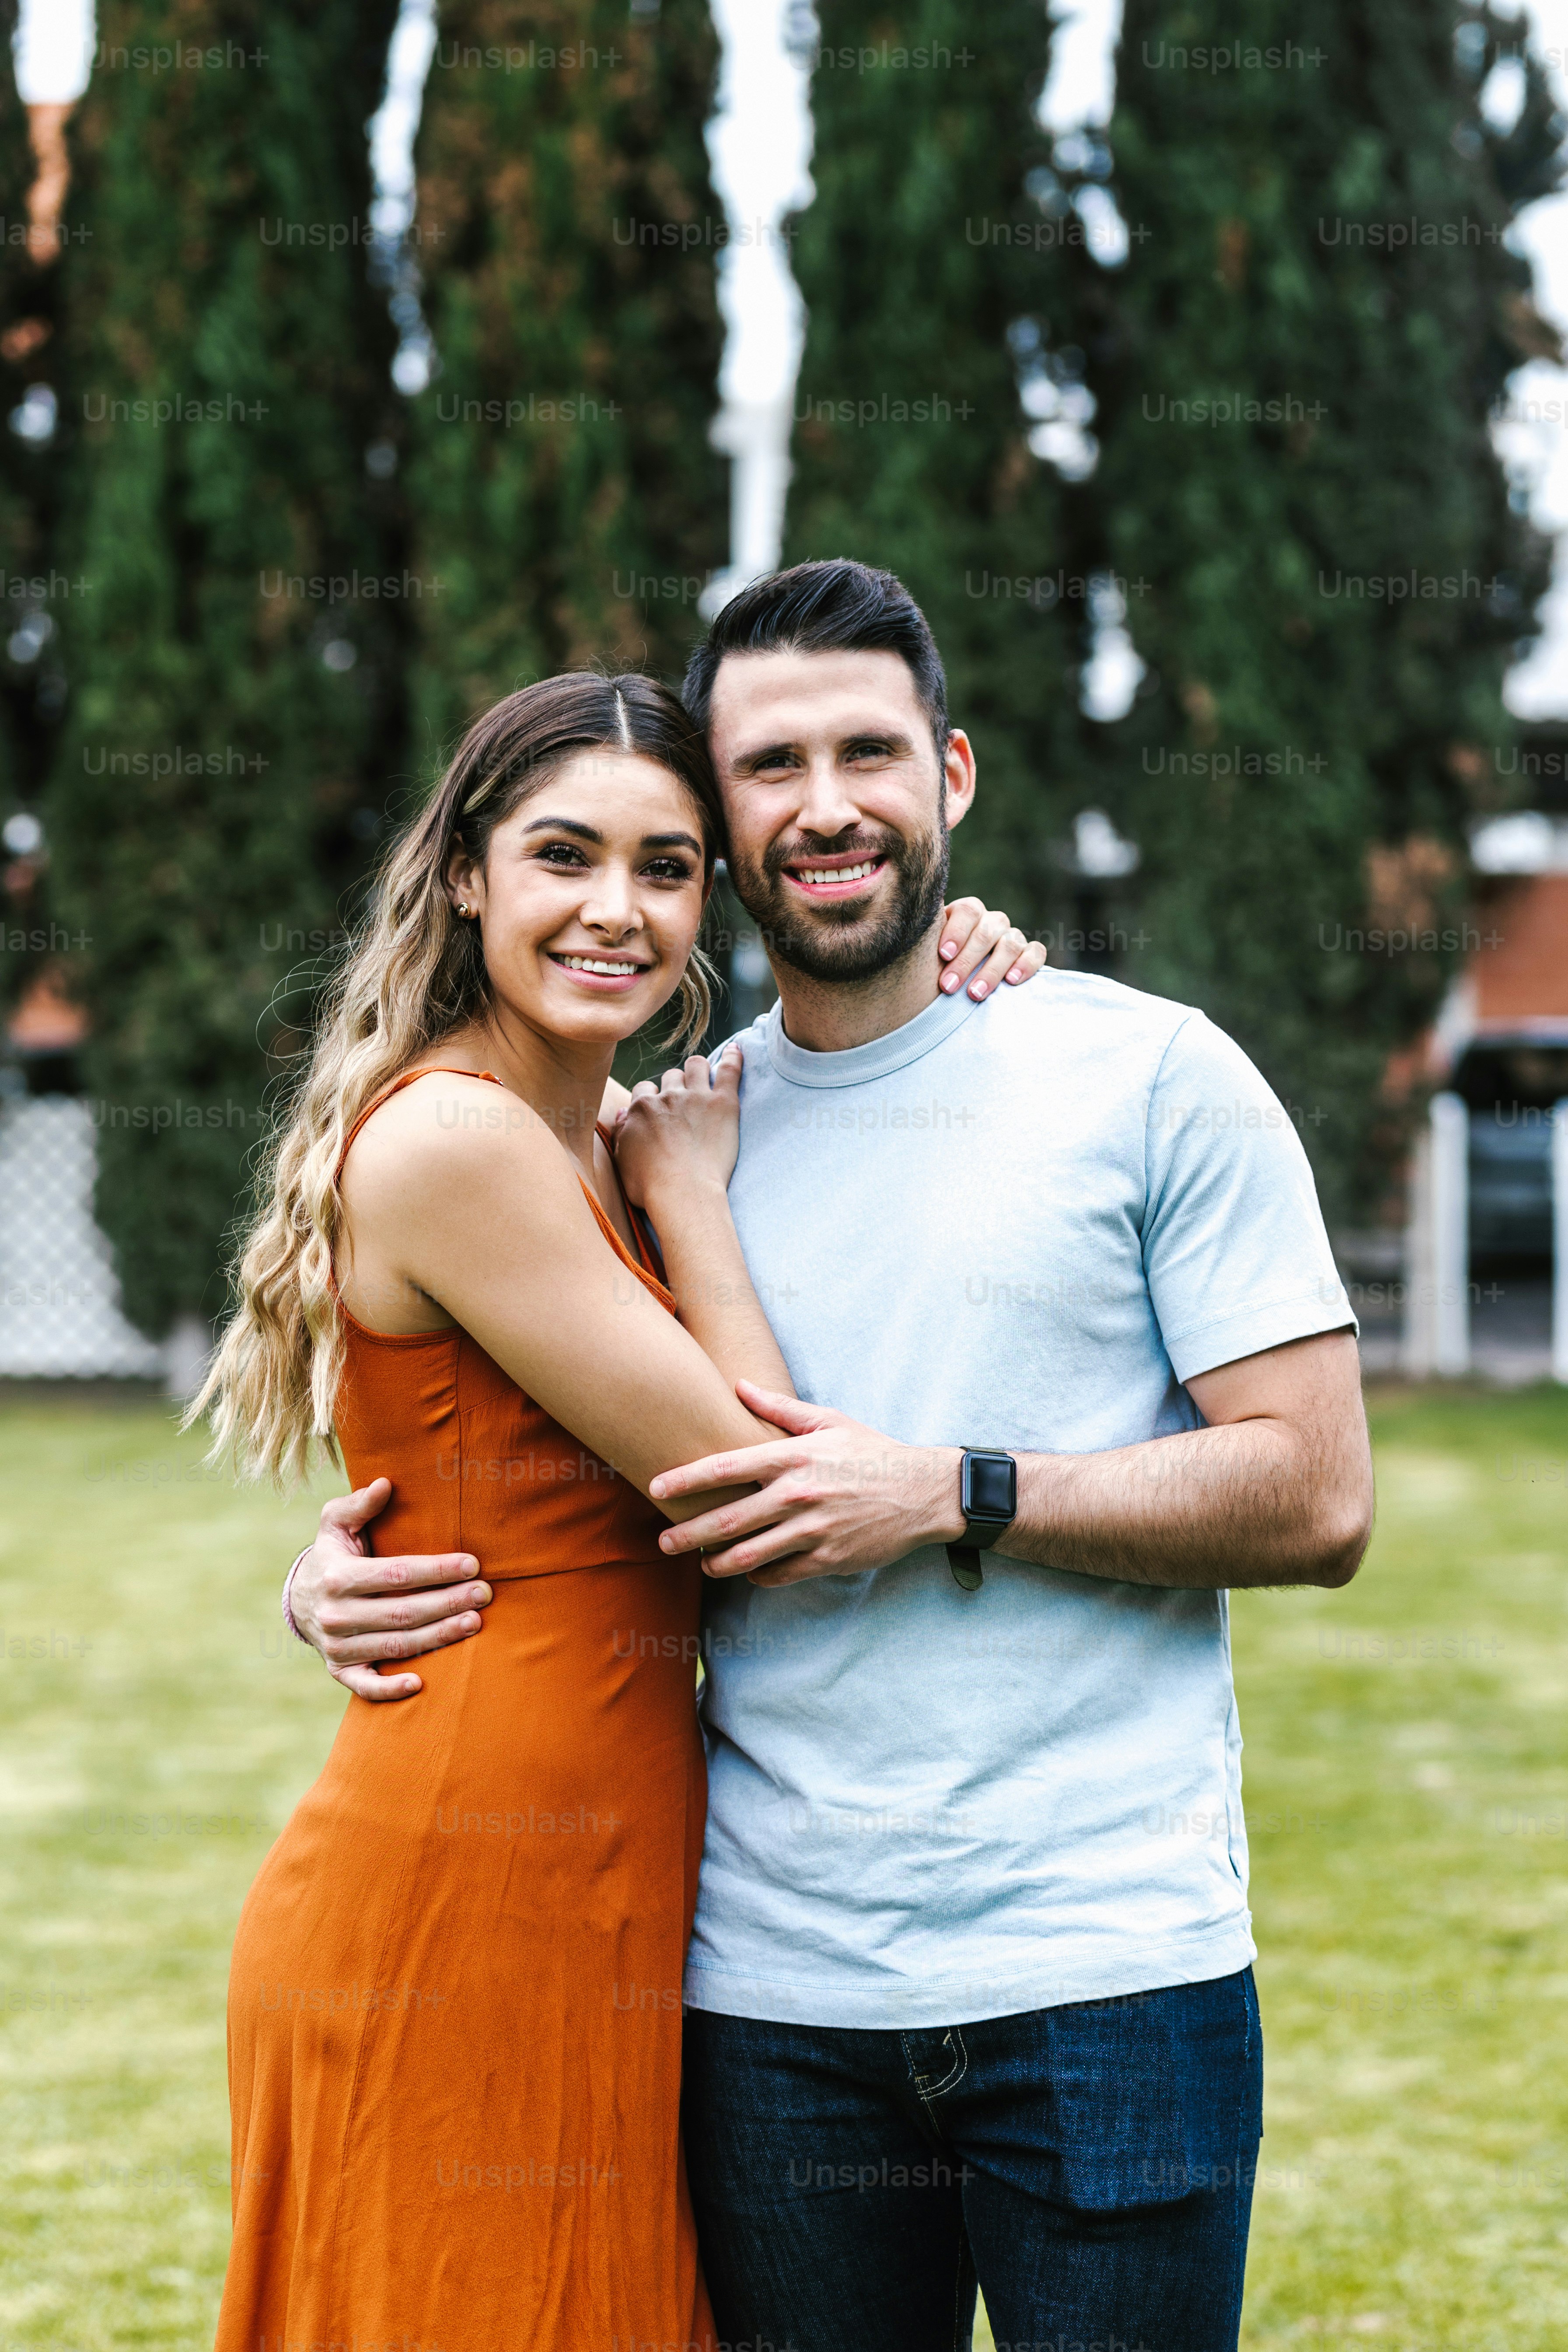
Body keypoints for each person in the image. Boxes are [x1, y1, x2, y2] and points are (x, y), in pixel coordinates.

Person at [288, 560, 1376, 2352]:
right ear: (727, 831)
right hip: (763, 1995)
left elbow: (1318, 1496)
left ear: (951, 773)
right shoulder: (661, 1137)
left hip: (1106, 1973)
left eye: (867, 751)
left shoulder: (1148, 1076)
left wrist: (961, 1488)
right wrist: (333, 1566)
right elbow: (518, 1441)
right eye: (769, 767)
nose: (825, 803)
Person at [193, 663, 1042, 2352]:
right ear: (464, 874)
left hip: (614, 1860)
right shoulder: (469, 1140)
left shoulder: (592, 1136)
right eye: (563, 855)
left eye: (666, 867)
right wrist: (693, 1201)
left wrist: (960, 942)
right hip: (471, 1874)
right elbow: (757, 1480)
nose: (617, 909)